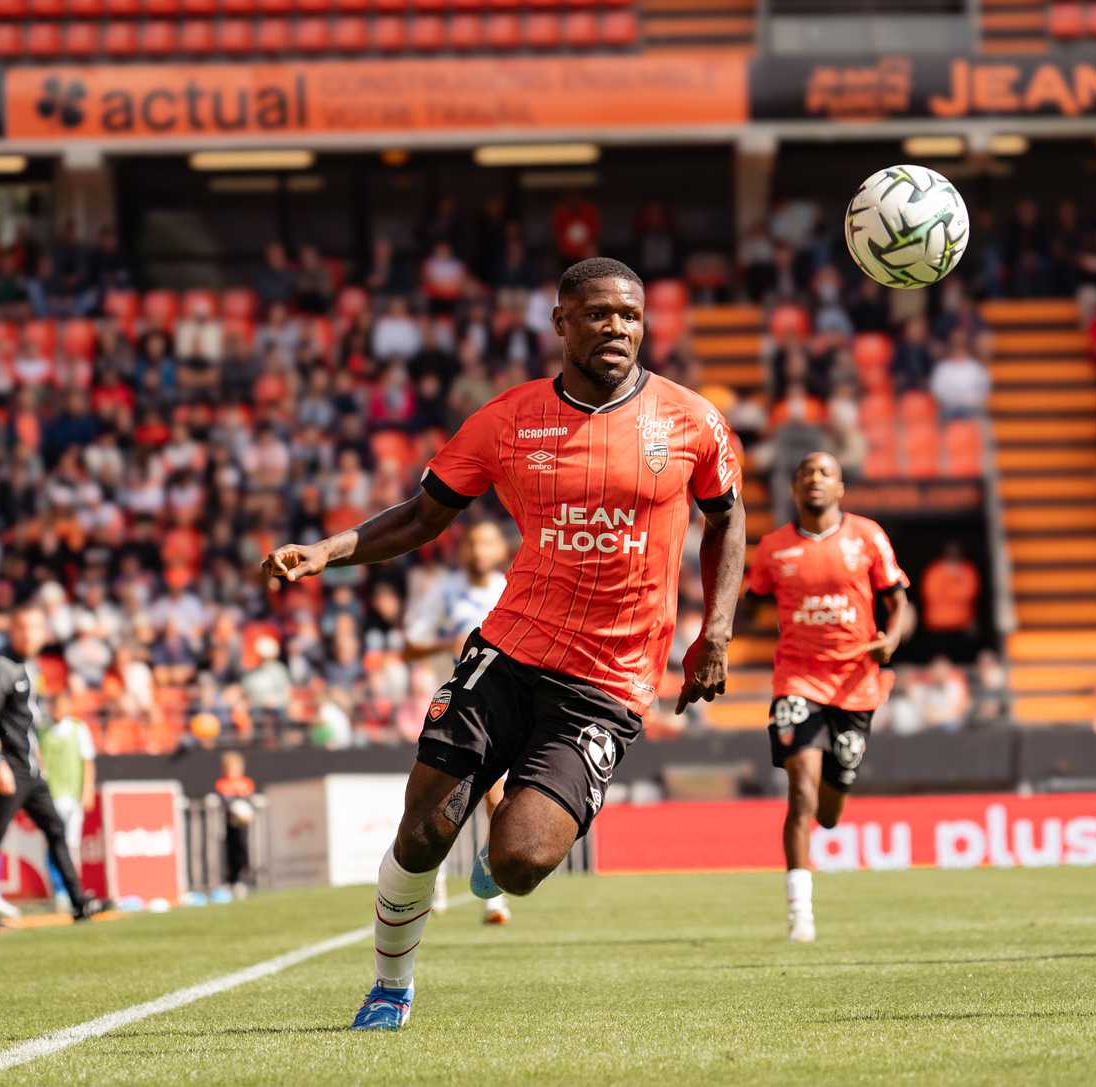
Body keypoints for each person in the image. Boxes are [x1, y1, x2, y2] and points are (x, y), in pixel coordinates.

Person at [262, 257, 744, 1030]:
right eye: (596, 313)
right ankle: (391, 987)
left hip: (609, 681)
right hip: (509, 651)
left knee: (517, 863)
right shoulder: (508, 419)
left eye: (629, 314)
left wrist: (714, 631)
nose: (615, 327)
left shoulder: (691, 421)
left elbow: (728, 519)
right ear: (561, 322)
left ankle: (507, 837)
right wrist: (328, 550)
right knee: (421, 832)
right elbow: (424, 515)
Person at [744, 452, 911, 943]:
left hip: (855, 683)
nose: (814, 480)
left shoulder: (867, 536)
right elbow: (750, 603)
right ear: (794, 489)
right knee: (800, 793)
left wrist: (892, 637)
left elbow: (896, 597)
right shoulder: (774, 548)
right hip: (797, 680)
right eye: (806, 474)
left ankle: (830, 800)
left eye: (825, 474)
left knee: (829, 811)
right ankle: (801, 914)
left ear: (841, 488)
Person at [404, 521, 514, 926]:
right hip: (451, 703)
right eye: (472, 542)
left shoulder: (512, 587)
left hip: (501, 705)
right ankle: (432, 886)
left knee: (494, 794)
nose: (478, 549)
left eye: (486, 540)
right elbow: (409, 646)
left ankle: (494, 896)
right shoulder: (445, 591)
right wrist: (444, 644)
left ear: (501, 548)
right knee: (438, 798)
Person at [0, 605, 106, 928]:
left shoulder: (31, 667)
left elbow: (26, 724)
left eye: (36, 628)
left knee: (56, 830)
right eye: (24, 628)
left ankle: (78, 901)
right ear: (14, 631)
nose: (30, 635)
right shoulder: (2, 667)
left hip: (31, 771)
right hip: (11, 770)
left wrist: (38, 760)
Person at [39, 692, 97, 912]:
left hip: (71, 794)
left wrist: (87, 789)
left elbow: (87, 761)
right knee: (52, 842)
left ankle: (73, 889)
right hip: (49, 795)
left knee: (70, 844)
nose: (57, 709)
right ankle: (58, 891)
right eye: (54, 704)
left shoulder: (78, 729)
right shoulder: (43, 732)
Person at [214, 751, 257, 899]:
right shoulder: (222, 784)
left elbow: (249, 802)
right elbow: (226, 803)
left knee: (243, 849)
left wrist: (248, 812)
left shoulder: (246, 783)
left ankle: (243, 880)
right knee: (229, 851)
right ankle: (230, 880)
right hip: (229, 823)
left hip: (243, 825)